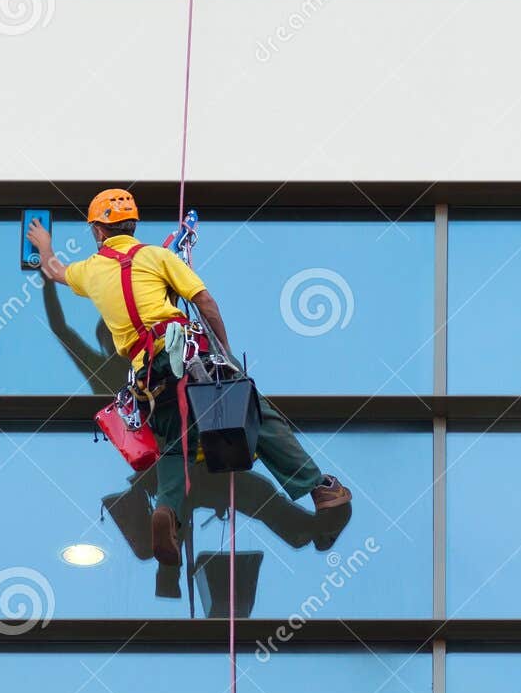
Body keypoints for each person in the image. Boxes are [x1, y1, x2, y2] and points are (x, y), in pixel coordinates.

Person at [26, 189, 350, 567]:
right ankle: (319, 488)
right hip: (190, 355)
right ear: (132, 226)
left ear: (98, 231)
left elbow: (56, 277)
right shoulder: (157, 256)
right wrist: (227, 357)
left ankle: (168, 511)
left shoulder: (91, 270)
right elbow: (205, 302)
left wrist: (44, 246)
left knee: (173, 444)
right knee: (254, 415)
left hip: (148, 375)